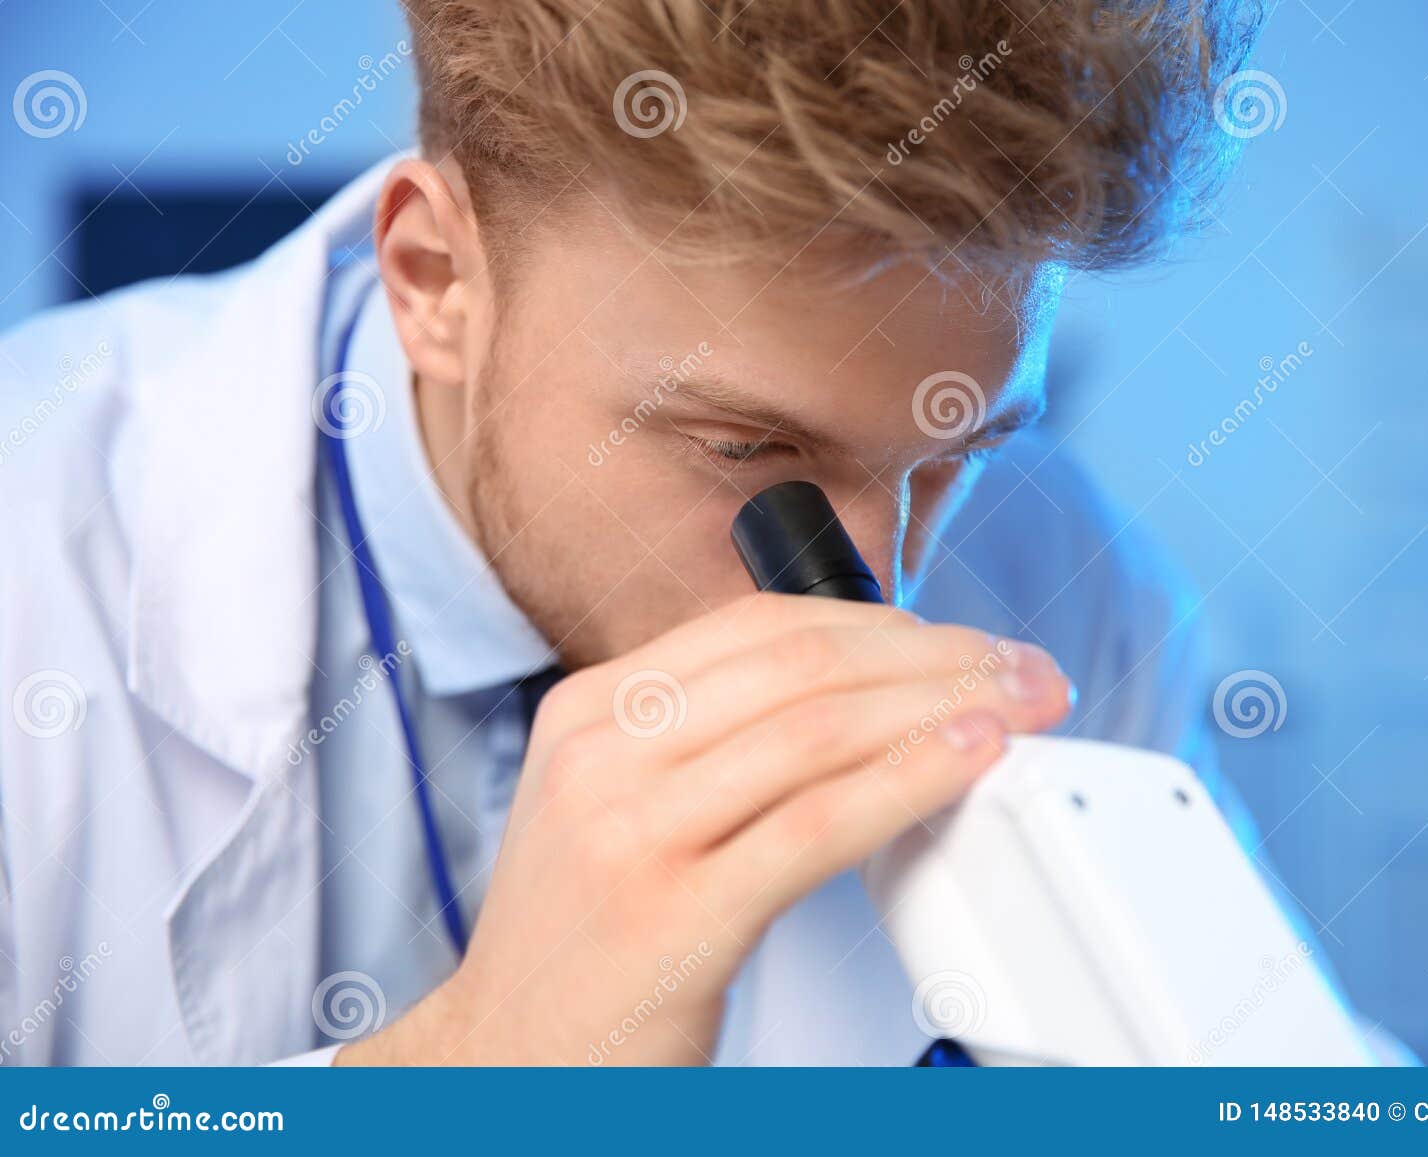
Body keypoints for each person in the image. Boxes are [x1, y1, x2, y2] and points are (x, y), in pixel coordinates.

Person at [0, 0, 1273, 1065]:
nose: (877, 595)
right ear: (435, 281)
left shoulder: (1077, 590)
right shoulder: (35, 541)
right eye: (748, 453)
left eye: (955, 452)